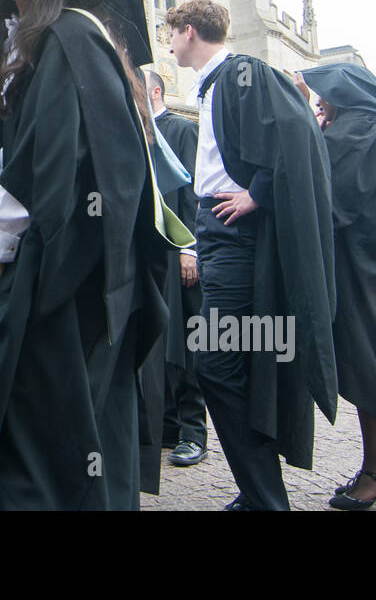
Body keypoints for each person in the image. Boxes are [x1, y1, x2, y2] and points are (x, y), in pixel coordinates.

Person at [0, 0, 192, 510]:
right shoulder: (39, 43)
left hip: (58, 282)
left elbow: (43, 168)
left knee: (35, 443)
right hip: (69, 278)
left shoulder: (70, 35)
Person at [164, 0, 336, 511]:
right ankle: (257, 490)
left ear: (188, 31)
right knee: (237, 362)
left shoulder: (245, 73)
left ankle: (266, 499)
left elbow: (296, 134)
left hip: (235, 234)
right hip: (215, 231)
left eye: (170, 33)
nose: (168, 43)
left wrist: (257, 193)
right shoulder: (213, 85)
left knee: (216, 363)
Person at [300, 64, 376, 510]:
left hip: (370, 267)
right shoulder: (364, 124)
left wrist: (311, 132)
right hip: (372, 259)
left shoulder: (360, 127)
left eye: (320, 97)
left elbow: (333, 194)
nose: (317, 104)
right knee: (370, 361)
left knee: (371, 362)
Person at [140, 69, 208, 470]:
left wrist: (190, 249)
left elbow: (192, 192)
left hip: (178, 248)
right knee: (158, 338)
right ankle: (165, 424)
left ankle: (193, 430)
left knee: (185, 342)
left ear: (156, 91)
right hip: (151, 249)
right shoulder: (139, 133)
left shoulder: (181, 129)